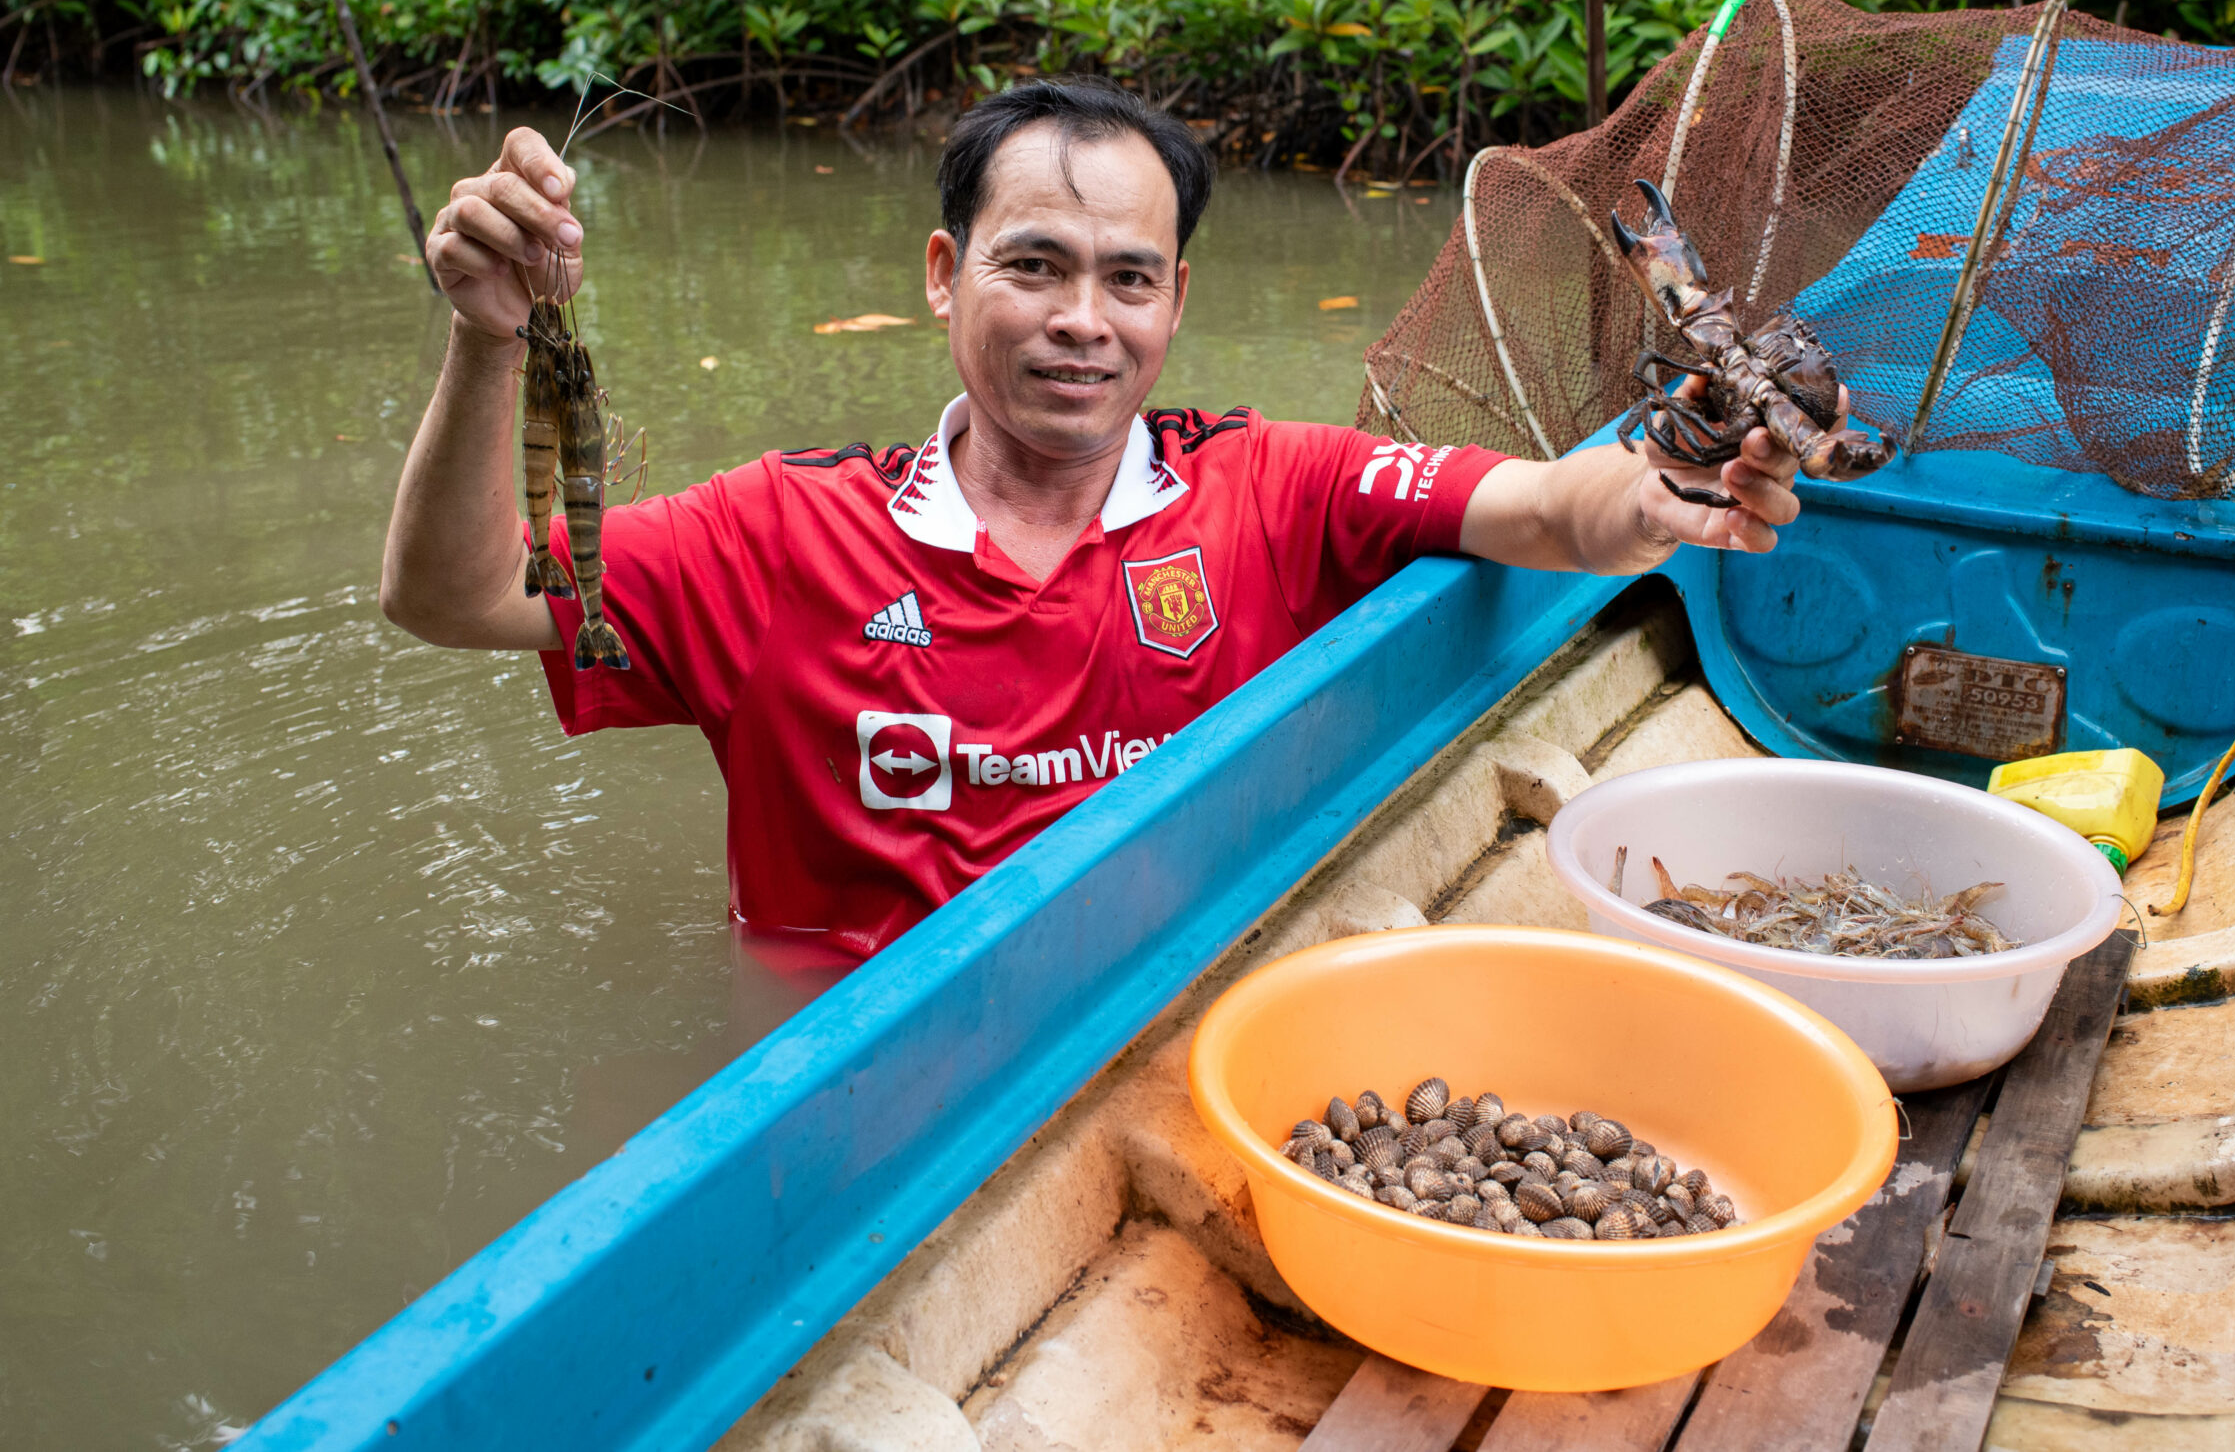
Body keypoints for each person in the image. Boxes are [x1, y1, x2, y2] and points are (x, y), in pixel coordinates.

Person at [382, 79, 1802, 963]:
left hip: (1147, 1011)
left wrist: (1674, 483)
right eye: (1034, 266)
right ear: (945, 276)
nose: (1082, 320)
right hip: (843, 1061)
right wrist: (490, 342)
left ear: (1178, 301)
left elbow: (1553, 509)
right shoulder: (778, 532)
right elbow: (458, 597)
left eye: (1129, 278)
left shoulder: (1274, 486)